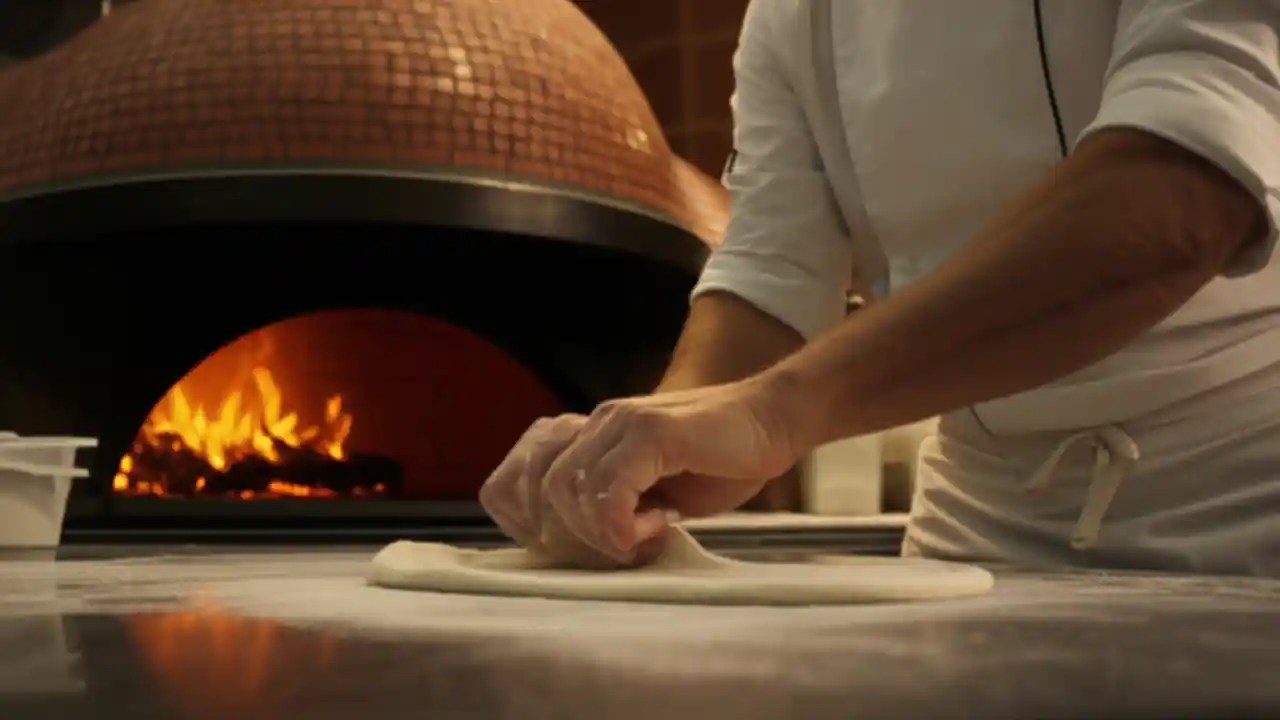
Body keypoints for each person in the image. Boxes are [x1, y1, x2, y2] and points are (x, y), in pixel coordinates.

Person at [481, 0, 1280, 576]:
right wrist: (649, 449)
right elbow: (771, 273)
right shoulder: (793, 15)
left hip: (1236, 528)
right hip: (975, 547)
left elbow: (1183, 194)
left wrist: (777, 411)